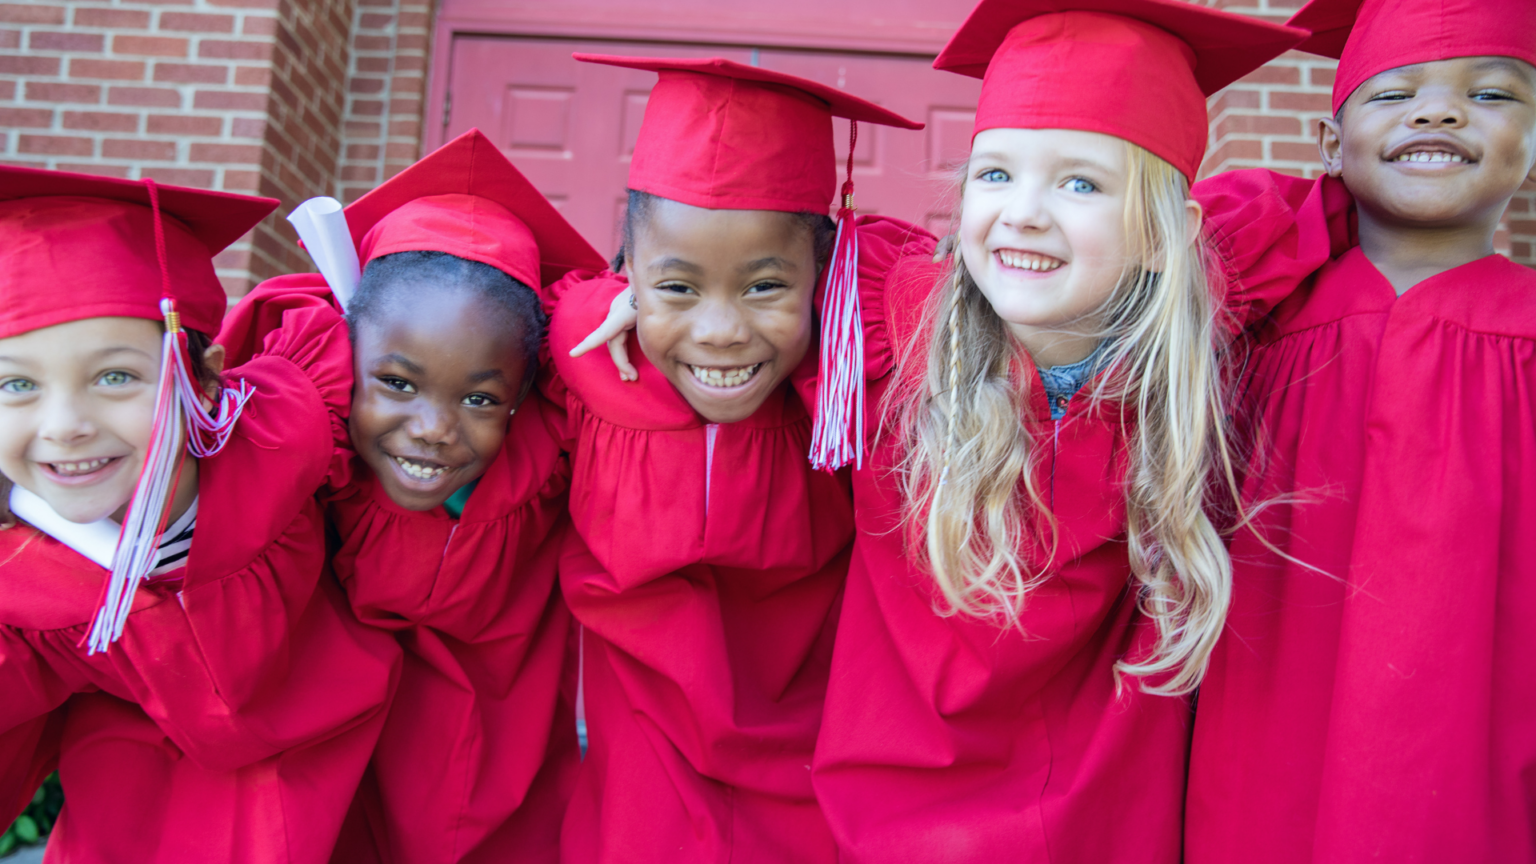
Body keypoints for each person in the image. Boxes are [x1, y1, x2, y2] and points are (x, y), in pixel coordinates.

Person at [801, 1, 1315, 860]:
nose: (1026, 212)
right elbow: (728, 288)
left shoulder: (1181, 365)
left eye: (1081, 183)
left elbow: (1291, 216)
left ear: (1167, 237)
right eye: (995, 175)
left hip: (1110, 824)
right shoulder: (890, 347)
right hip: (897, 814)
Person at [542, 54, 937, 863]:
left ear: (827, 279)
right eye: (679, 289)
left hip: (815, 773)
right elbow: (540, 306)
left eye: (764, 287)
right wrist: (602, 306)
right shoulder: (595, 380)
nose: (720, 331)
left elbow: (933, 291)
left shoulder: (848, 396)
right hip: (639, 781)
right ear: (630, 284)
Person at [1185, 1, 1536, 861]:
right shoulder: (1252, 330)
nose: (1439, 111)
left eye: (1493, 95)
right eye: (1394, 94)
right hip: (1264, 740)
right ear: (1329, 144)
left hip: (1476, 751)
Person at [218, 128, 606, 863]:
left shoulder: (553, 465)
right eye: (396, 383)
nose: (432, 431)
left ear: (526, 393)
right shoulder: (299, 464)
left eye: (481, 399)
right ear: (344, 355)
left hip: (496, 793)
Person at [0, 167, 401, 862]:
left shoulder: (294, 434)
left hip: (356, 796)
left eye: (115, 376)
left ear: (207, 375)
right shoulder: (24, 581)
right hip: (133, 818)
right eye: (15, 383)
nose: (65, 425)